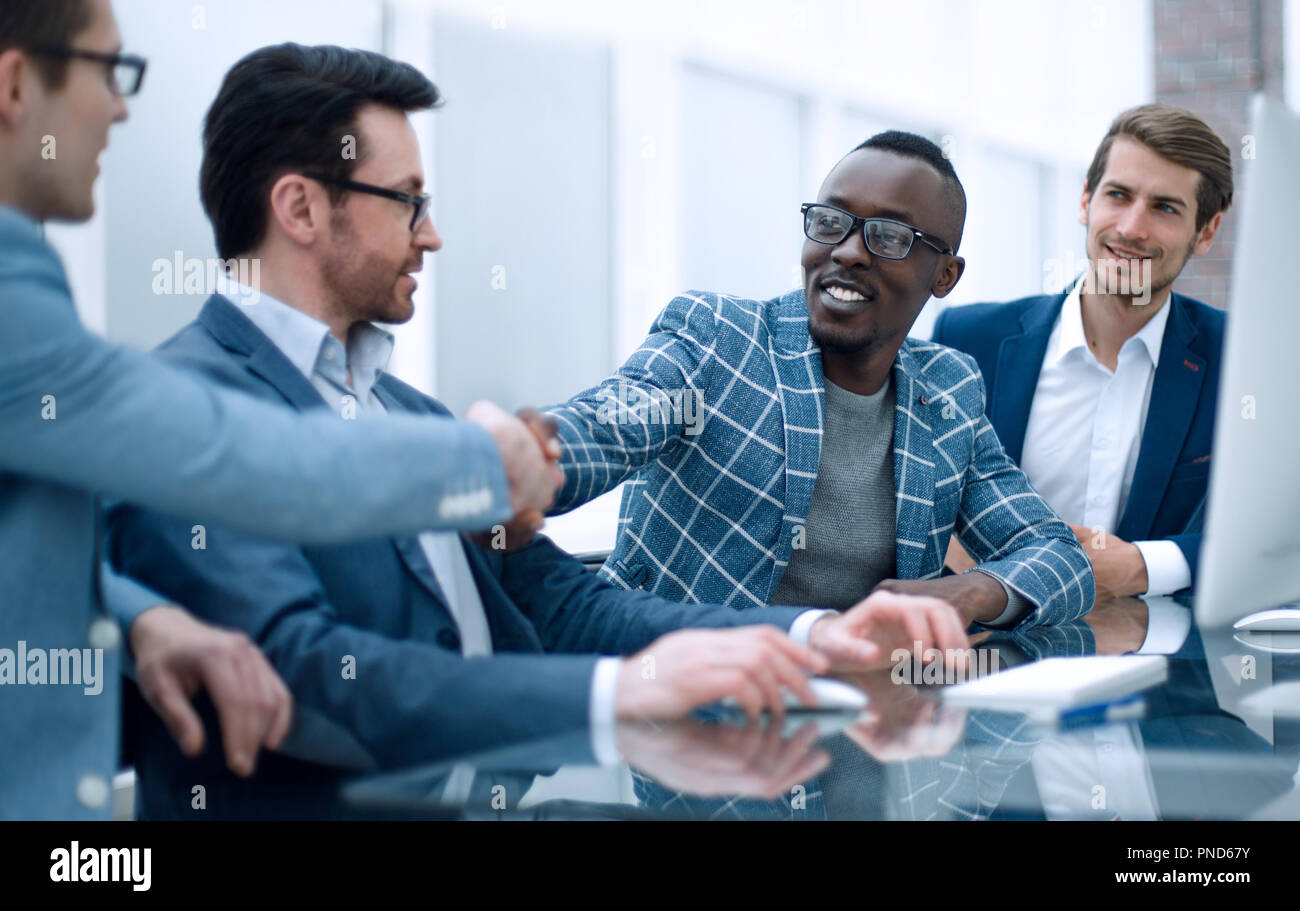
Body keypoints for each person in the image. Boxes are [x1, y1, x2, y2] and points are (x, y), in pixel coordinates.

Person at [106, 42, 951, 819]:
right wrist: (620, 696)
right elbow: (312, 680)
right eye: (407, 202)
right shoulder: (181, 414)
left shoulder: (405, 414)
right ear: (299, 208)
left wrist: (811, 635)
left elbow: (564, 603)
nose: (431, 234)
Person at [0, 0, 560, 819]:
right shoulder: (33, 303)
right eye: (108, 70)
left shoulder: (407, 406)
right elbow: (251, 460)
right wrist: (484, 463)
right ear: (16, 83)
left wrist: (136, 615)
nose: (122, 107)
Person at [546, 131, 1094, 633]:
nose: (848, 251)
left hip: (865, 712)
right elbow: (601, 427)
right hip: (674, 701)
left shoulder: (948, 390)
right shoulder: (719, 338)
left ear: (945, 275)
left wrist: (973, 591)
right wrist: (517, 455)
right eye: (831, 221)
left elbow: (1058, 555)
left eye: (889, 236)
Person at [933, 104, 1230, 599]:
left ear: (1206, 232)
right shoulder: (968, 338)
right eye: (1118, 195)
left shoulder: (1241, 361)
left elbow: (1278, 530)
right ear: (1086, 200)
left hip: (1161, 664)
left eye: (1165, 208)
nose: (1132, 227)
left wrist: (1144, 566)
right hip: (988, 655)